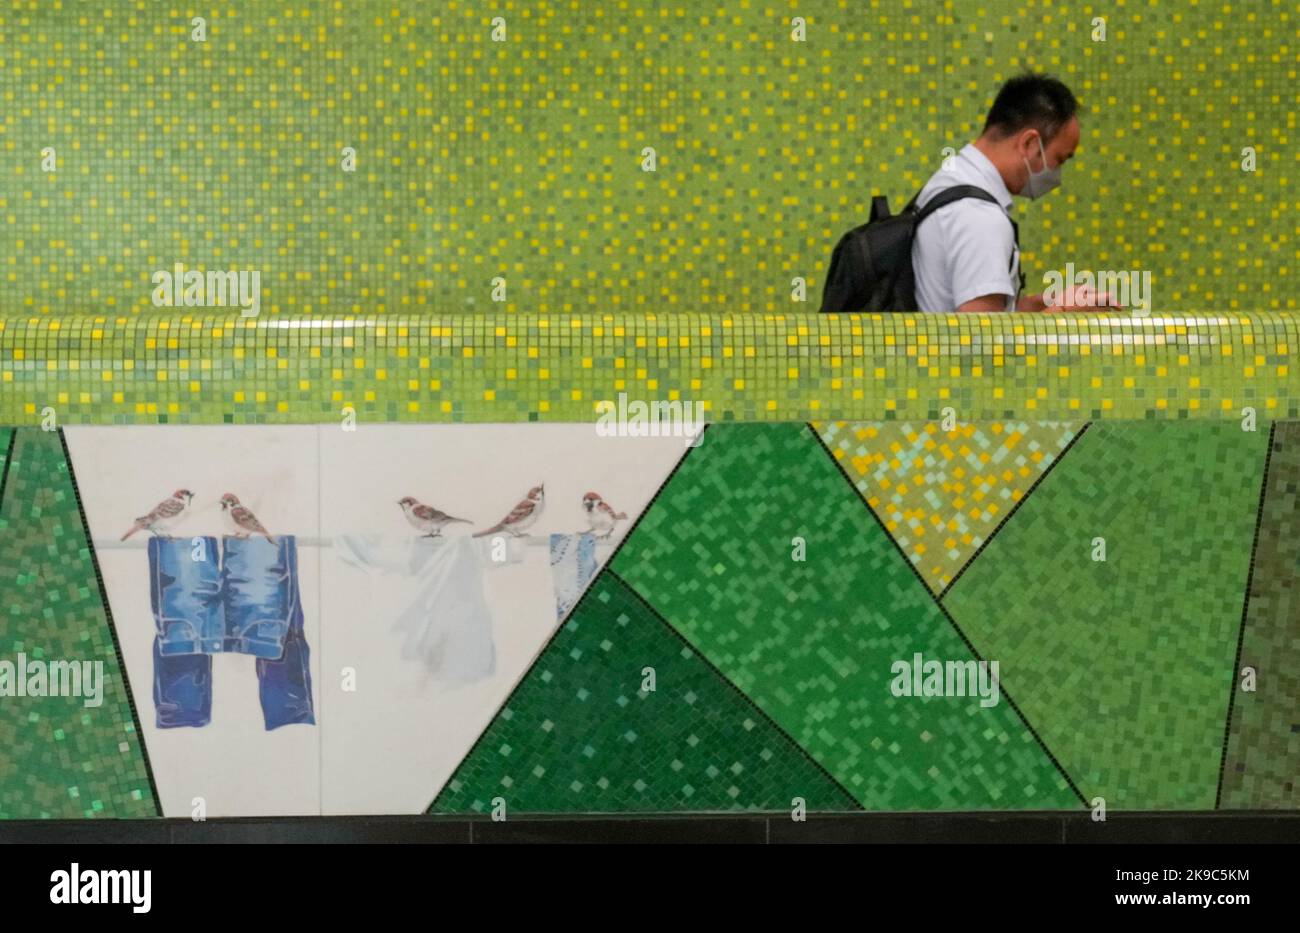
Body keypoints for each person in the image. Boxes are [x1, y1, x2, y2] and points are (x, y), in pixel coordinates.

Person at [912, 72, 1116, 312]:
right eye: (1059, 160)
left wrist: (1039, 305)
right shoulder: (979, 217)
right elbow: (982, 341)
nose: (1057, 175)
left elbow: (968, 311)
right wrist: (1062, 314)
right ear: (1029, 143)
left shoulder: (949, 181)